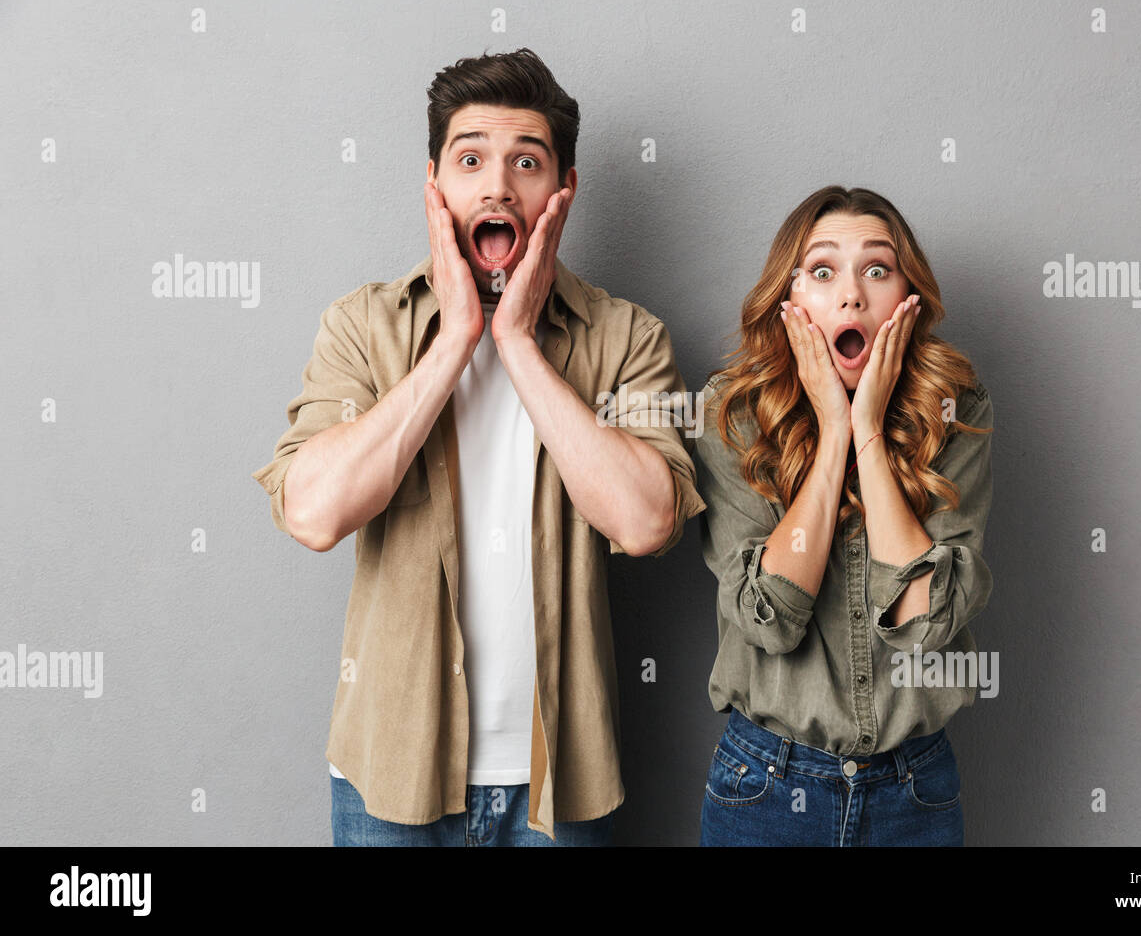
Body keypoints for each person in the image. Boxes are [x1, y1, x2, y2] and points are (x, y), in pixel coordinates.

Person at [251, 48, 704, 846]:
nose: (497, 186)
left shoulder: (628, 337)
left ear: (562, 193)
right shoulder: (363, 326)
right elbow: (315, 514)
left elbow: (645, 523)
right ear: (435, 186)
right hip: (391, 778)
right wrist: (457, 338)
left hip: (559, 788)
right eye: (470, 161)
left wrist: (519, 345)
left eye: (526, 163)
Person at [691, 185, 994, 846]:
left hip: (914, 793)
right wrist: (833, 432)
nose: (851, 295)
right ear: (790, 300)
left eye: (877, 269)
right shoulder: (730, 414)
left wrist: (867, 433)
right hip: (765, 786)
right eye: (823, 271)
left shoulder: (957, 411)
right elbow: (769, 618)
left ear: (907, 297)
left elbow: (921, 622)